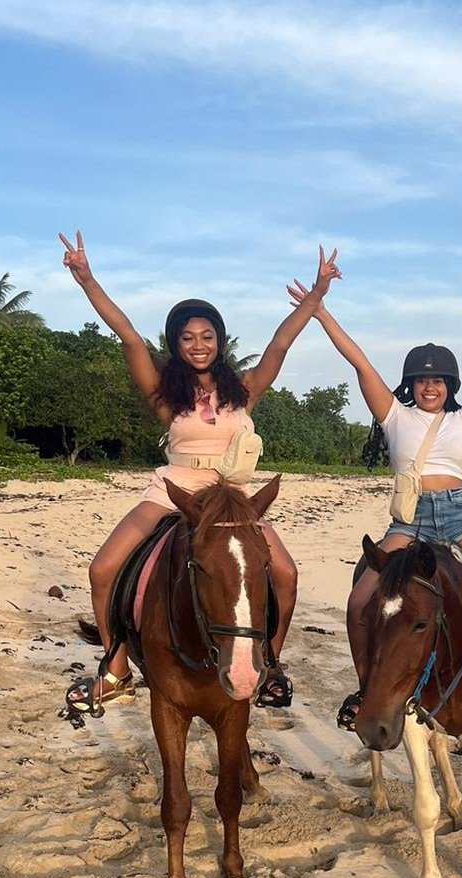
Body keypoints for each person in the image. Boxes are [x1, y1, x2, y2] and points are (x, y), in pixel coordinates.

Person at [59, 231, 339, 715]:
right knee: (103, 568)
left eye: (207, 336)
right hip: (175, 490)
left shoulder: (245, 389)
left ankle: (269, 661)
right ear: (175, 344)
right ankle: (116, 669)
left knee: (287, 575)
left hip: (233, 499)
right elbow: (126, 334)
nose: (198, 345)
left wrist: (315, 296)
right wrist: (86, 279)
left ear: (220, 341)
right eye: (187, 338)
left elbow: (279, 344)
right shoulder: (164, 395)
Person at [287, 280, 462, 732]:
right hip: (410, 521)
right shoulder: (394, 415)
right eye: (421, 380)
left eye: (437, 380)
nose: (429, 386)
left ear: (449, 385)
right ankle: (366, 689)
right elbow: (358, 361)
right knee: (360, 601)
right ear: (410, 384)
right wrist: (320, 312)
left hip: (460, 515)